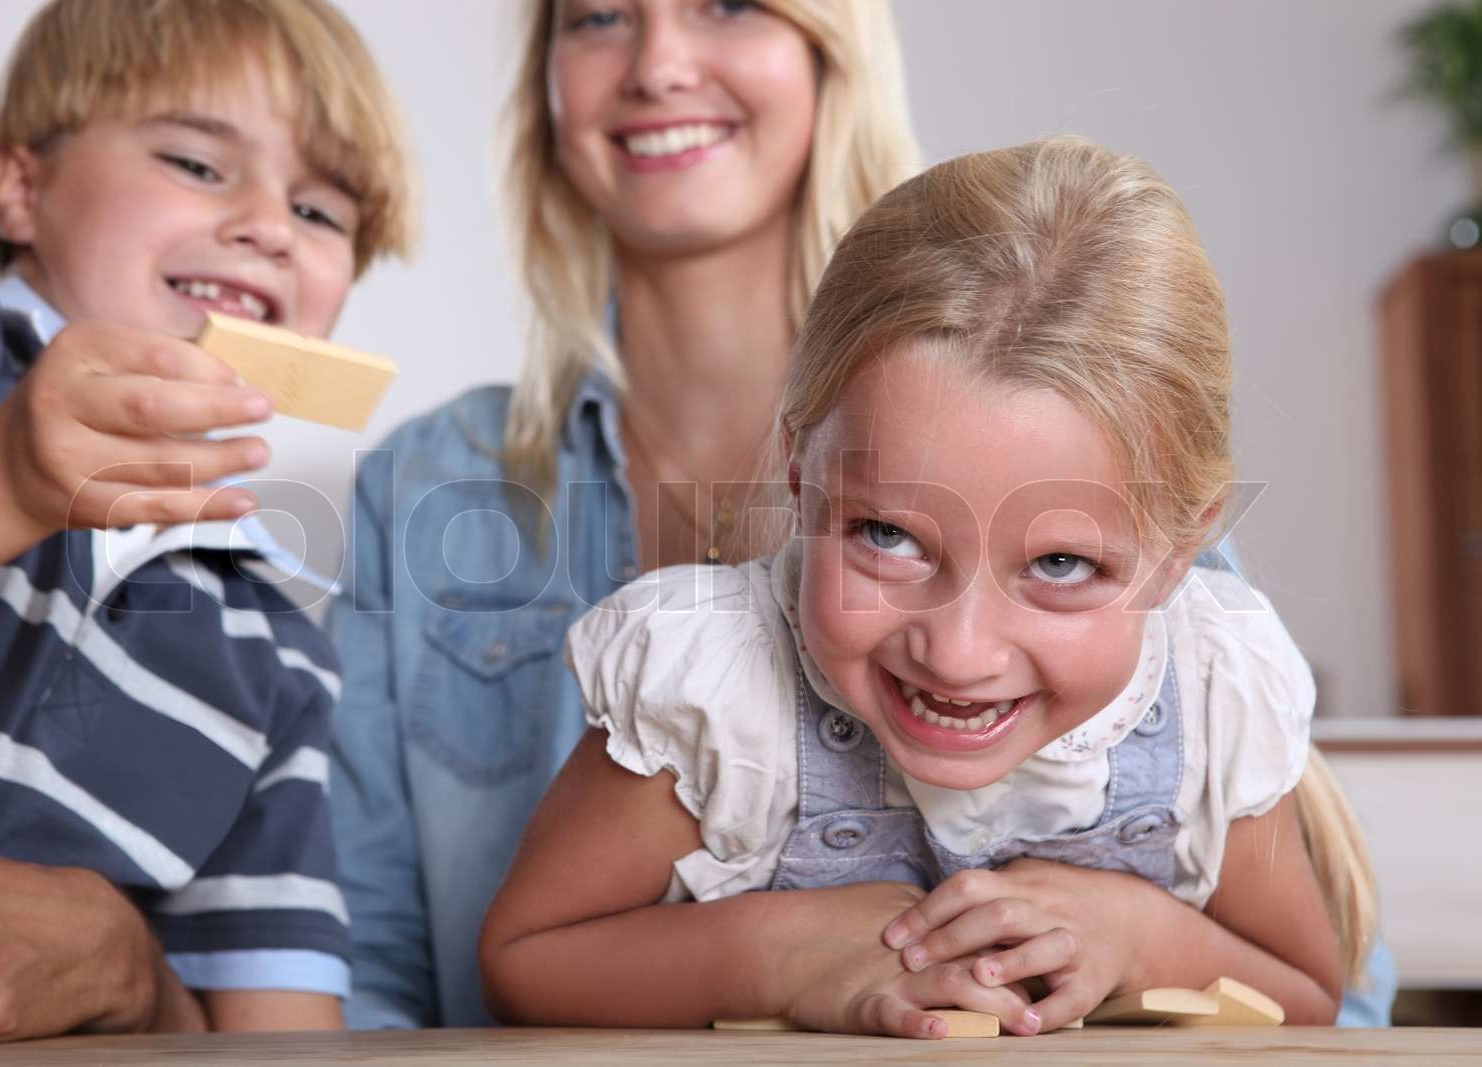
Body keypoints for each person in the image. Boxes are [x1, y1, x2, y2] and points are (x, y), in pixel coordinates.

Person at [476, 137, 1381, 1035]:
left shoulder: (1213, 692)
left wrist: (1144, 934)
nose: (957, 651)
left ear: (1183, 546)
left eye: (1060, 565)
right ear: (798, 469)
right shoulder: (719, 692)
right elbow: (526, 959)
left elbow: (1308, 997)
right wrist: (775, 952)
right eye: (888, 536)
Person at [328, 0, 918, 1028]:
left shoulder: (1042, 416)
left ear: (832, 52)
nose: (657, 64)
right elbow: (361, 963)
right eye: (598, 17)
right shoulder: (422, 483)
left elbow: (1214, 848)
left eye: (725, 6)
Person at [0, 0, 414, 1044]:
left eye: (319, 212)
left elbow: (281, 1031)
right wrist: (2, 472)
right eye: (198, 164)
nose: (268, 223)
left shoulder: (280, 649)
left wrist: (130, 973)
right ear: (21, 185)